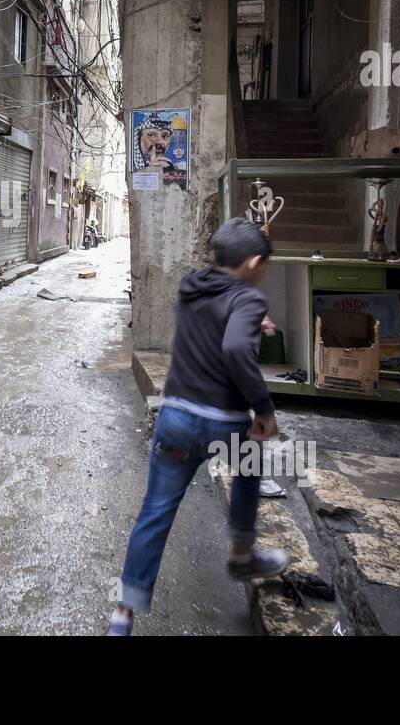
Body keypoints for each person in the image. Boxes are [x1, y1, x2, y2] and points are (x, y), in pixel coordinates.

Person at [107, 218, 289, 636]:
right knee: (248, 465)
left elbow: (214, 320)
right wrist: (264, 409)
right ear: (254, 263)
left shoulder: (192, 286)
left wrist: (248, 323)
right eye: (263, 267)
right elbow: (235, 348)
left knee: (154, 513)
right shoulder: (247, 298)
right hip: (225, 424)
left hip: (175, 419)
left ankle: (123, 614)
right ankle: (242, 554)